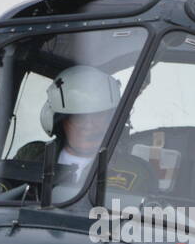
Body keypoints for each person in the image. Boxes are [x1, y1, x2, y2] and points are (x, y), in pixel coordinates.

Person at [15, 65, 155, 198]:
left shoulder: (137, 173)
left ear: (112, 120)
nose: (89, 125)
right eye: (79, 117)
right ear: (59, 121)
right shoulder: (31, 157)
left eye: (98, 115)